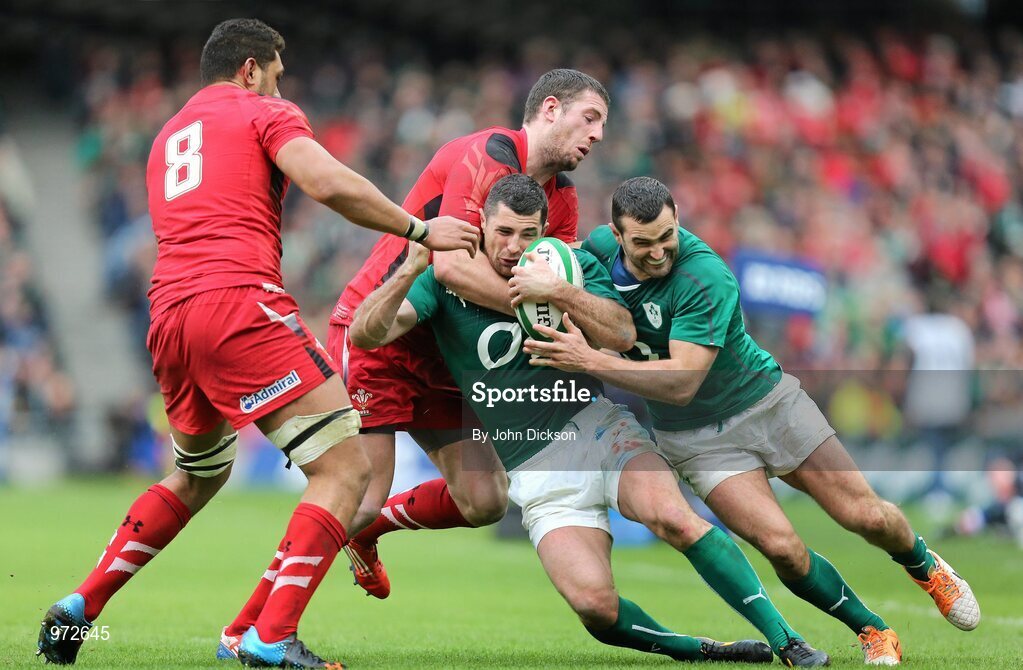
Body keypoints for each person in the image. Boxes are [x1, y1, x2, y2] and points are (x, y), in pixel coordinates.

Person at [36, 18, 479, 669]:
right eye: (277, 70)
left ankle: (81, 607)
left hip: (169, 318)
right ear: (250, 68)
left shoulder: (168, 136)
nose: (280, 83)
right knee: (346, 467)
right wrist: (419, 229)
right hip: (238, 305)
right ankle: (268, 636)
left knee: (197, 472)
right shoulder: (260, 109)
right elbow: (324, 183)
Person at [348, 173, 829, 667]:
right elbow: (365, 335)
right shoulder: (442, 280)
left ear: (544, 231)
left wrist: (560, 291)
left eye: (528, 234)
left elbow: (621, 333)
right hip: (535, 470)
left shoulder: (568, 264)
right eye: (504, 233)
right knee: (594, 608)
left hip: (599, 430)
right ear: (482, 226)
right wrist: (409, 269)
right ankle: (701, 650)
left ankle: (788, 640)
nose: (515, 248)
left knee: (674, 519)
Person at [524, 176, 982, 666]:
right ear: (616, 236)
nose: (659, 252)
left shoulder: (705, 276)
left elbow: (682, 381)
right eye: (643, 243)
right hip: (696, 439)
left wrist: (589, 361)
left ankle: (924, 563)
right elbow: (567, 271)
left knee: (864, 515)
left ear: (677, 219)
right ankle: (872, 629)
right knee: (782, 548)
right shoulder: (594, 251)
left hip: (766, 403)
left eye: (667, 236)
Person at [327, 69, 613, 599]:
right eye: (589, 118)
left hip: (445, 350)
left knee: (484, 499)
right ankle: (255, 625)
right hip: (388, 328)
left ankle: (368, 534)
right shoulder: (484, 155)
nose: (597, 134)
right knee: (360, 494)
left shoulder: (564, 199)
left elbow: (556, 284)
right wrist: (538, 306)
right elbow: (451, 271)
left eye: (602, 125)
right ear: (551, 109)